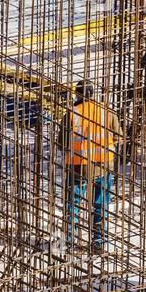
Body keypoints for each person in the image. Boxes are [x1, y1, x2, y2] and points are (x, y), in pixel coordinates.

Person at [64, 81, 123, 253]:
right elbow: (119, 136)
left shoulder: (72, 113)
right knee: (100, 204)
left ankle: (68, 240)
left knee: (73, 204)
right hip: (103, 165)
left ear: (77, 94)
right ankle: (98, 242)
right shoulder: (107, 112)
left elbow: (61, 142)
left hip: (78, 167)